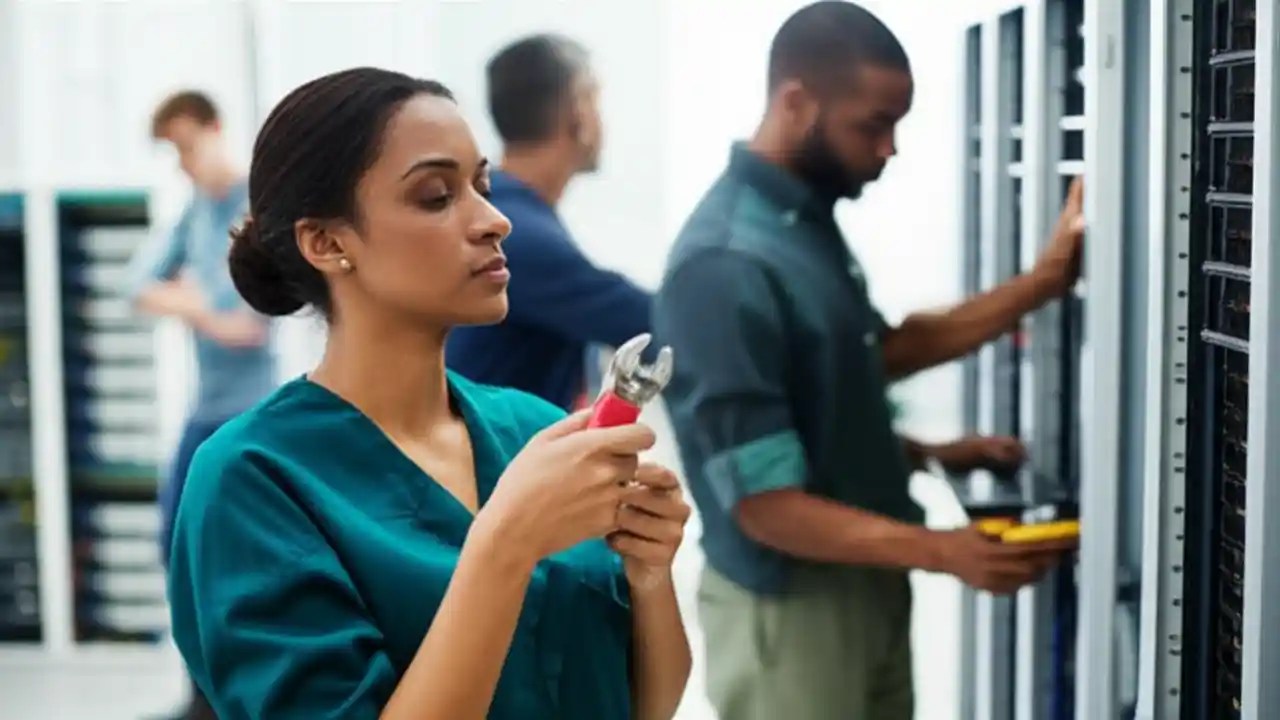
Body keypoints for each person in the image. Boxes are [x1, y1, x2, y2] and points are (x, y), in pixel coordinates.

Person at [165, 67, 692, 720]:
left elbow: (647, 705)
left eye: (483, 185)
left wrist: (649, 575)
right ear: (327, 242)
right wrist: (506, 543)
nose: (495, 220)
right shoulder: (253, 481)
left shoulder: (537, 430)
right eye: (438, 196)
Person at [653, 3, 1084, 718]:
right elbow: (766, 507)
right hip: (794, 615)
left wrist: (1041, 285)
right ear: (796, 102)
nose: (889, 150)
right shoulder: (724, 265)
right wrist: (943, 550)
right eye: (872, 125)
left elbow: (865, 361)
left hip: (866, 583)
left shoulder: (801, 226)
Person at [126, 89, 275, 720]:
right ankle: (201, 699)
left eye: (188, 147)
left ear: (217, 129)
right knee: (178, 548)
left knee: (233, 563)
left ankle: (234, 699)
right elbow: (134, 285)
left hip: (250, 412)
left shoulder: (253, 210)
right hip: (205, 411)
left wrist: (186, 301)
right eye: (173, 153)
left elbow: (248, 326)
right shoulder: (196, 213)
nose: (183, 163)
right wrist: (198, 304)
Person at [445, 34, 651, 411]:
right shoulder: (516, 232)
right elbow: (648, 319)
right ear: (578, 113)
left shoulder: (504, 212)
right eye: (595, 98)